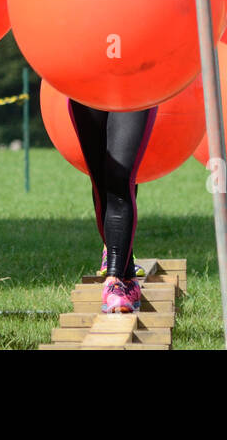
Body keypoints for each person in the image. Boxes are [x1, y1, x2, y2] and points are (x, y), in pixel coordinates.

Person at [68, 100, 156, 312]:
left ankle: (115, 281)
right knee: (101, 183)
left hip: (136, 85)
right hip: (85, 85)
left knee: (119, 178)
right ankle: (128, 279)